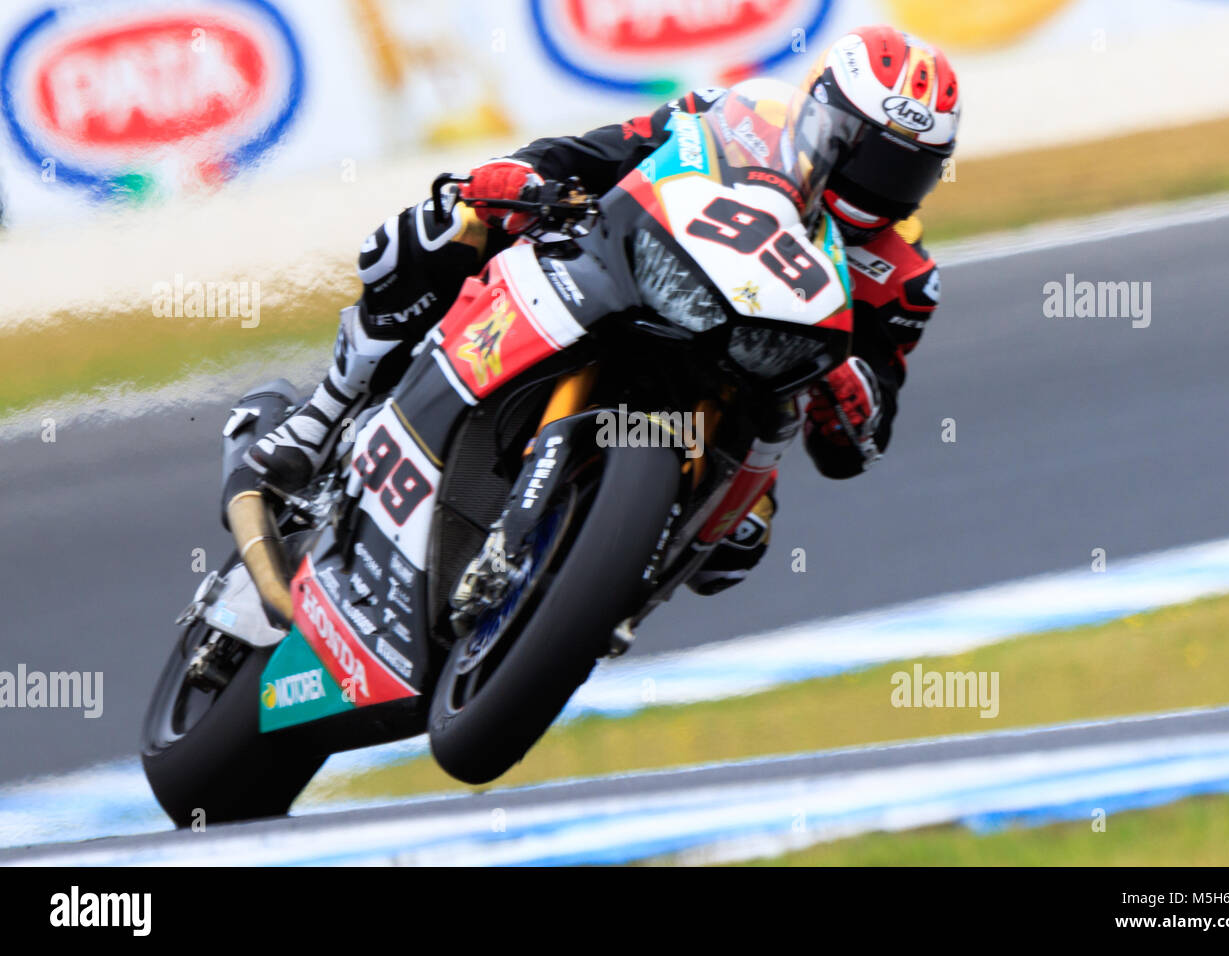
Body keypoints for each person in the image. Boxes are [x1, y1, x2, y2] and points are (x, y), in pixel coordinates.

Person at [238, 24, 960, 595]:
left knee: (738, 548)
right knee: (446, 226)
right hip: (639, 277)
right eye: (872, 156)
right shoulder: (735, 121)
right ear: (823, 117)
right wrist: (524, 176)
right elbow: (600, 153)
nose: (881, 185)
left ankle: (584, 602)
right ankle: (324, 413)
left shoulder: (905, 278)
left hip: (736, 389)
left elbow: (859, 442)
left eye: (908, 170)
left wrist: (849, 390)